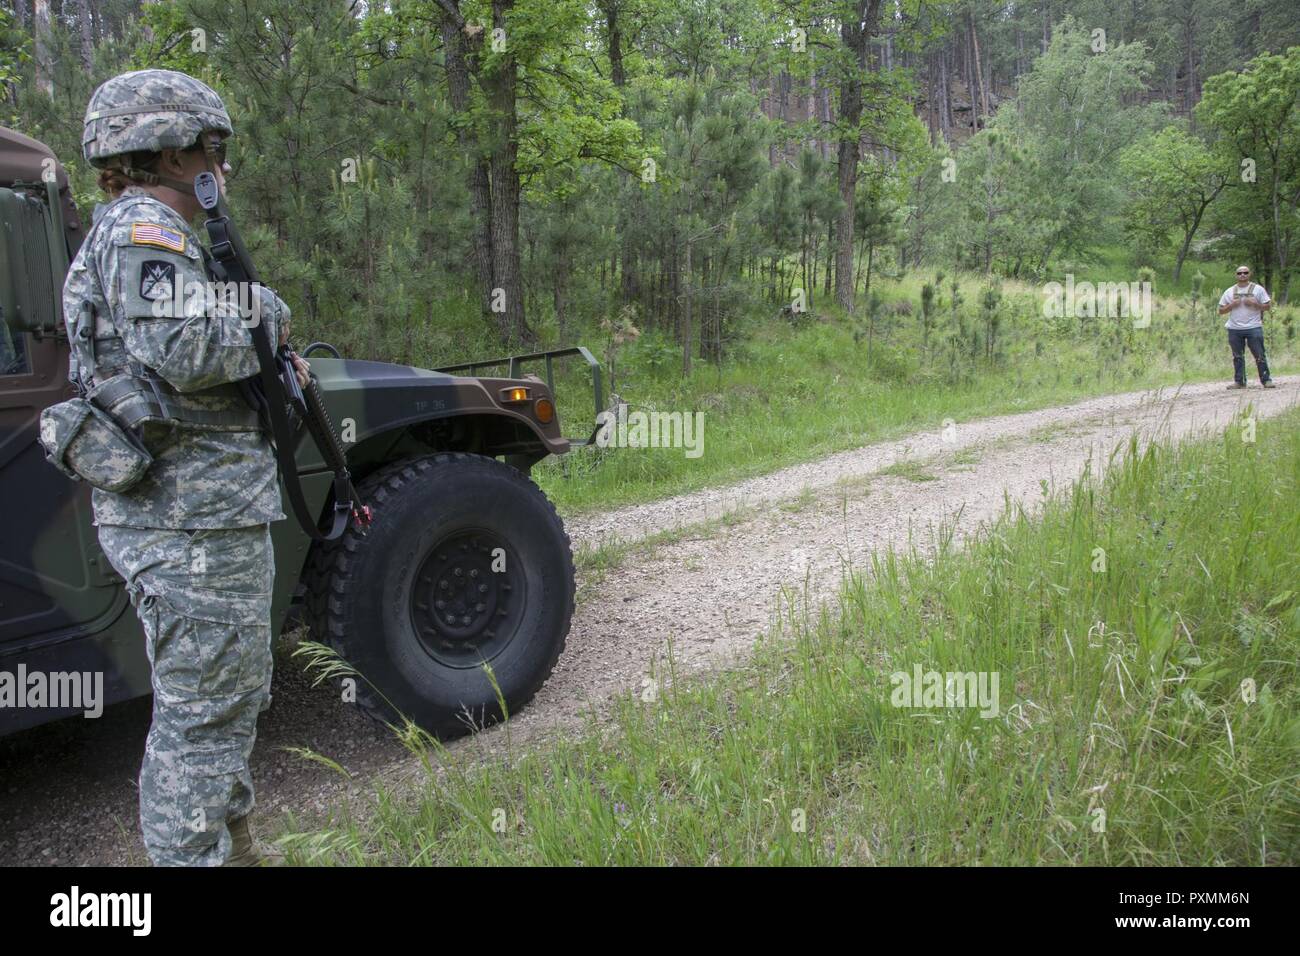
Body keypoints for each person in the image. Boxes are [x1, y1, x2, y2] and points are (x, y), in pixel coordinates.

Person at [68, 68, 308, 866]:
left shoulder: (146, 232)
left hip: (200, 514)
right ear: (173, 156)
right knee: (203, 720)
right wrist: (268, 310)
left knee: (228, 701)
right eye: (216, 150)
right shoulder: (144, 230)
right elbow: (187, 345)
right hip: (186, 520)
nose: (225, 168)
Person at [1217, 266, 1276, 389]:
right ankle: (1240, 381)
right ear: (1236, 275)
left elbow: (1268, 306)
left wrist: (1255, 304)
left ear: (1250, 274)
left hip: (1253, 327)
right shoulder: (1229, 291)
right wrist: (1232, 305)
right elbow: (1221, 310)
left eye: (1245, 272)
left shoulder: (1258, 289)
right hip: (1234, 328)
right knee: (1237, 356)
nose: (1242, 275)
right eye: (1239, 273)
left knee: (1259, 354)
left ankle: (1266, 380)